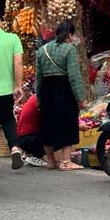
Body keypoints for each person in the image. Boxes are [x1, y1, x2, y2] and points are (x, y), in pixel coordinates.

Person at [35, 21, 87, 171]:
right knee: (68, 123)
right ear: (69, 35)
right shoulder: (69, 50)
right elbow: (74, 76)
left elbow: (38, 78)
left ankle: (51, 161)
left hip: (46, 91)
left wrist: (39, 98)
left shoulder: (42, 50)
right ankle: (65, 162)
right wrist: (81, 98)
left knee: (47, 124)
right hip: (64, 91)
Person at [0, 12, 25, 176]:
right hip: (4, 91)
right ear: (1, 24)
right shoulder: (12, 38)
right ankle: (14, 147)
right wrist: (18, 86)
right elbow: (18, 62)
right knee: (7, 119)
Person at [15, 94, 47, 167]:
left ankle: (34, 155)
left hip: (23, 137)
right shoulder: (42, 99)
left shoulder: (36, 97)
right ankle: (37, 156)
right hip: (29, 138)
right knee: (63, 134)